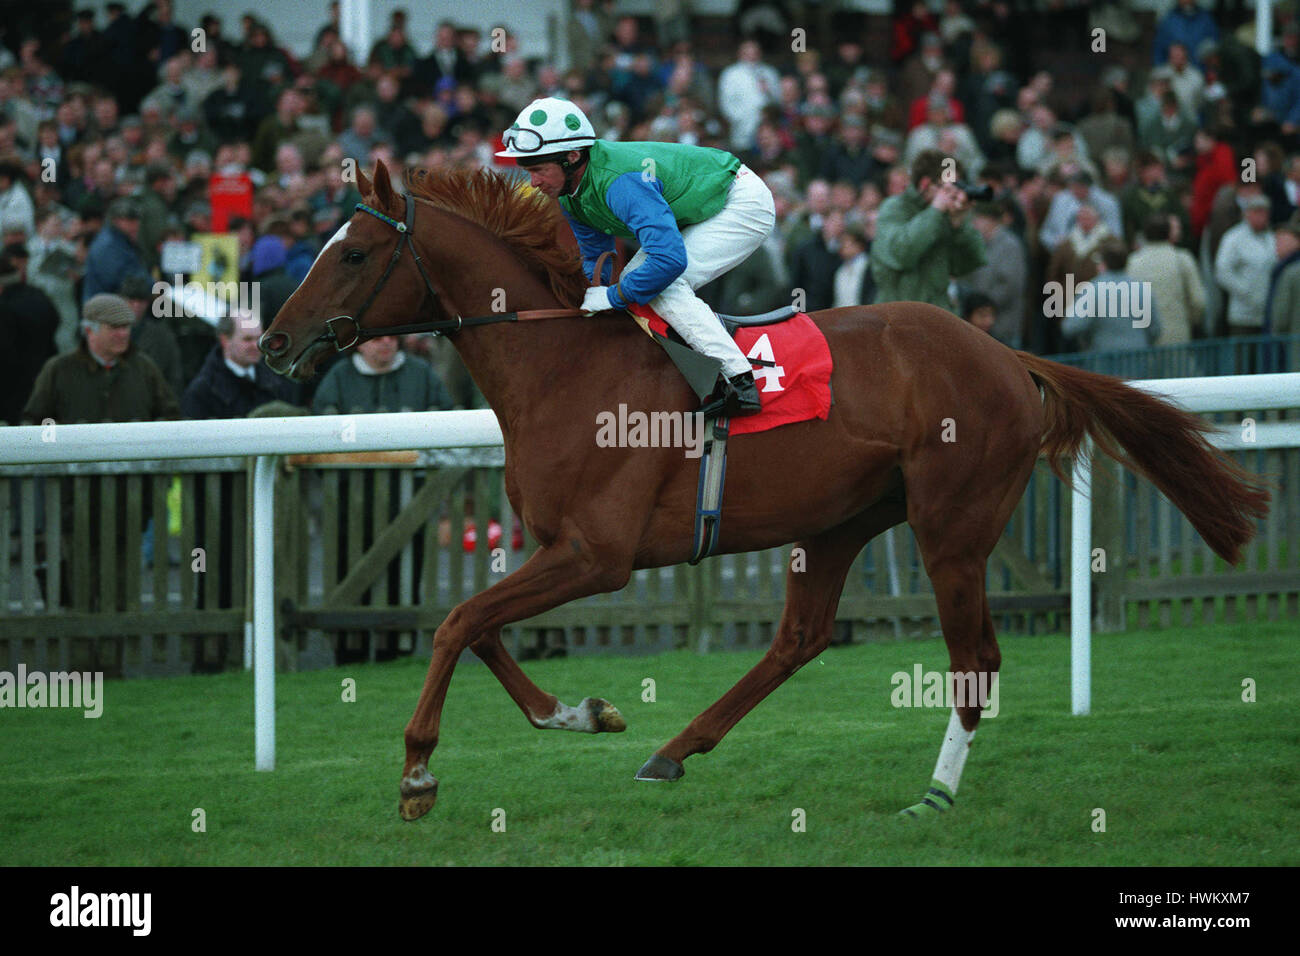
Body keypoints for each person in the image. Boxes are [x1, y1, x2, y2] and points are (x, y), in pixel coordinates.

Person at [498, 96, 775, 416]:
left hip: (740, 203)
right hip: (697, 207)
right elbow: (596, 259)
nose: (533, 183)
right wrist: (585, 302)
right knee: (638, 282)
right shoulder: (570, 193)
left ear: (572, 156)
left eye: (538, 170)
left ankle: (740, 383)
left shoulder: (620, 182)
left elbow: (669, 261)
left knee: (663, 286)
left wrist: (614, 297)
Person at [870, 149, 986, 309]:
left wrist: (959, 225)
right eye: (947, 187)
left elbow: (969, 264)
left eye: (957, 186)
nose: (953, 193)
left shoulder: (948, 215)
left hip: (937, 315)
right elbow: (901, 254)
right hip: (896, 314)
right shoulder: (895, 207)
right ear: (925, 184)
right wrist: (935, 210)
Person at [182, 311, 300, 419]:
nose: (256, 346)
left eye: (259, 338)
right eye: (247, 339)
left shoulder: (278, 381)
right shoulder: (202, 392)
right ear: (225, 340)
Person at [1061, 238, 1162, 354]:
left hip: (1102, 361)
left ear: (1103, 263)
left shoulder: (1092, 290)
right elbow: (1155, 329)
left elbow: (1070, 327)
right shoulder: (1142, 289)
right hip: (1136, 361)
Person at [310, 334, 454, 415]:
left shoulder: (420, 371)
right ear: (360, 345)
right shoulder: (340, 373)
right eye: (377, 339)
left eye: (392, 337)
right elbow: (322, 413)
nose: (386, 342)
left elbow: (444, 409)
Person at [1126, 214, 1203, 346]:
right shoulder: (1182, 259)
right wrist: (1190, 319)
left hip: (1142, 335)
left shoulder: (1132, 262)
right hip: (1177, 332)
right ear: (1169, 233)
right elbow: (1198, 300)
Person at [1215, 194, 1276, 337]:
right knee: (1243, 356)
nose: (1261, 216)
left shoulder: (1271, 237)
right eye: (1257, 212)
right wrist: (1246, 292)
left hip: (1268, 313)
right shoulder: (1233, 238)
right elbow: (1222, 271)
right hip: (1243, 314)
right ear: (1247, 213)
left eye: (1264, 212)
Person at [82, 197, 149, 303]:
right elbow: (120, 280)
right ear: (115, 220)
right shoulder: (108, 245)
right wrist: (153, 286)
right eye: (129, 220)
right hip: (102, 310)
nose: (134, 225)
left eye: (136, 219)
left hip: (115, 306)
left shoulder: (123, 240)